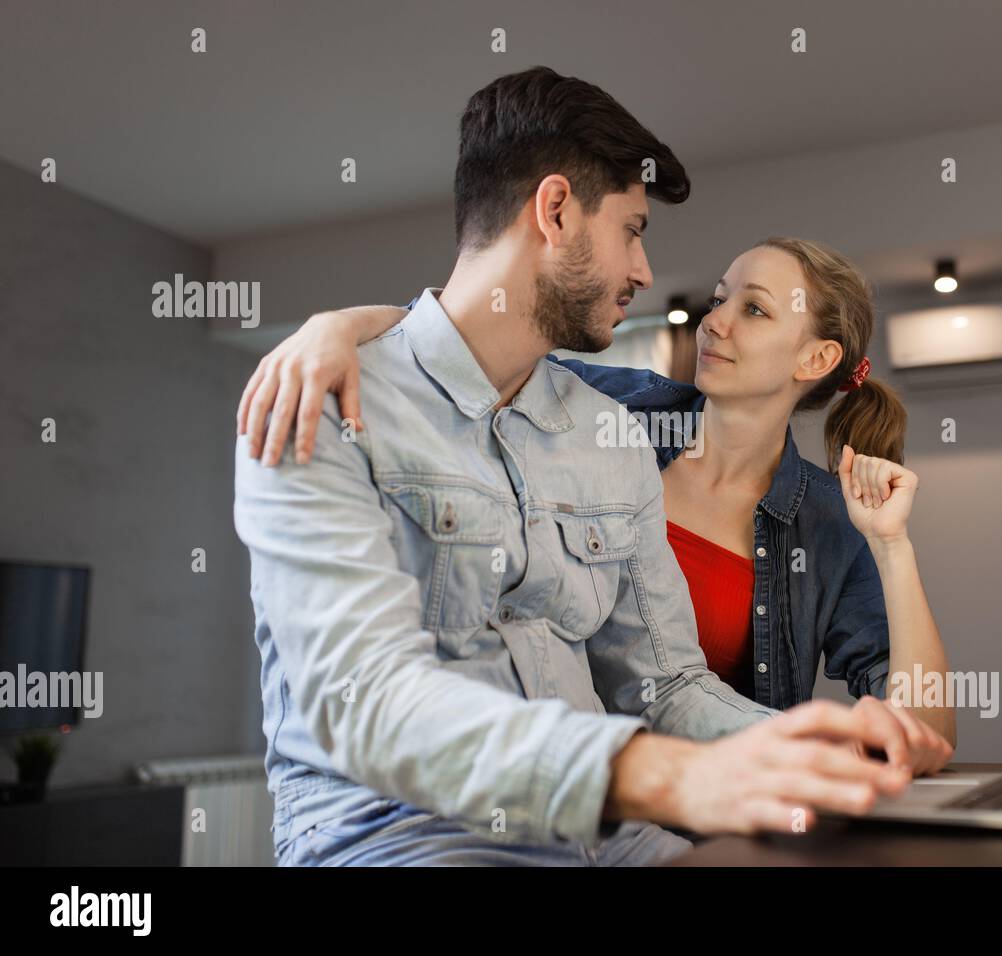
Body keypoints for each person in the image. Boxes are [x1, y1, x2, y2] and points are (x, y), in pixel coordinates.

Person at [234, 65, 946, 868]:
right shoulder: (324, 396)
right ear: (556, 210)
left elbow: (667, 683)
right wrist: (655, 776)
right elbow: (363, 703)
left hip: (599, 841)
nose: (645, 273)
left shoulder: (610, 434)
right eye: (633, 230)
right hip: (401, 836)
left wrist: (819, 751)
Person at [246, 239, 957, 752]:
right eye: (718, 300)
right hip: (556, 790)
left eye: (755, 310)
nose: (716, 322)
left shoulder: (828, 521)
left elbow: (924, 731)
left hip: (719, 814)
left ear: (817, 359)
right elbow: (466, 337)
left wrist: (892, 545)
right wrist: (336, 326)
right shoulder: (609, 412)